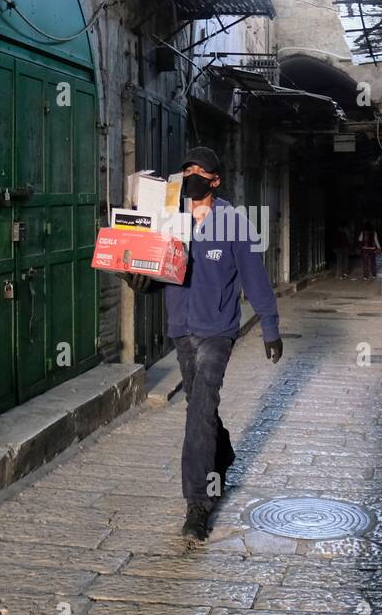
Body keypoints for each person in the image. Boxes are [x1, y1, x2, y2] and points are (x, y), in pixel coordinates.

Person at [119, 147, 283, 541]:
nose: (191, 174)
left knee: (200, 407)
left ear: (215, 180)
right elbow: (158, 270)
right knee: (200, 406)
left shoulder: (234, 223)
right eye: (186, 168)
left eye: (199, 171)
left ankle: (197, 505)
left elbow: (254, 277)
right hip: (181, 327)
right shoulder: (170, 219)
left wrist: (271, 327)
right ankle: (221, 452)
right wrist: (138, 281)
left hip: (217, 331)